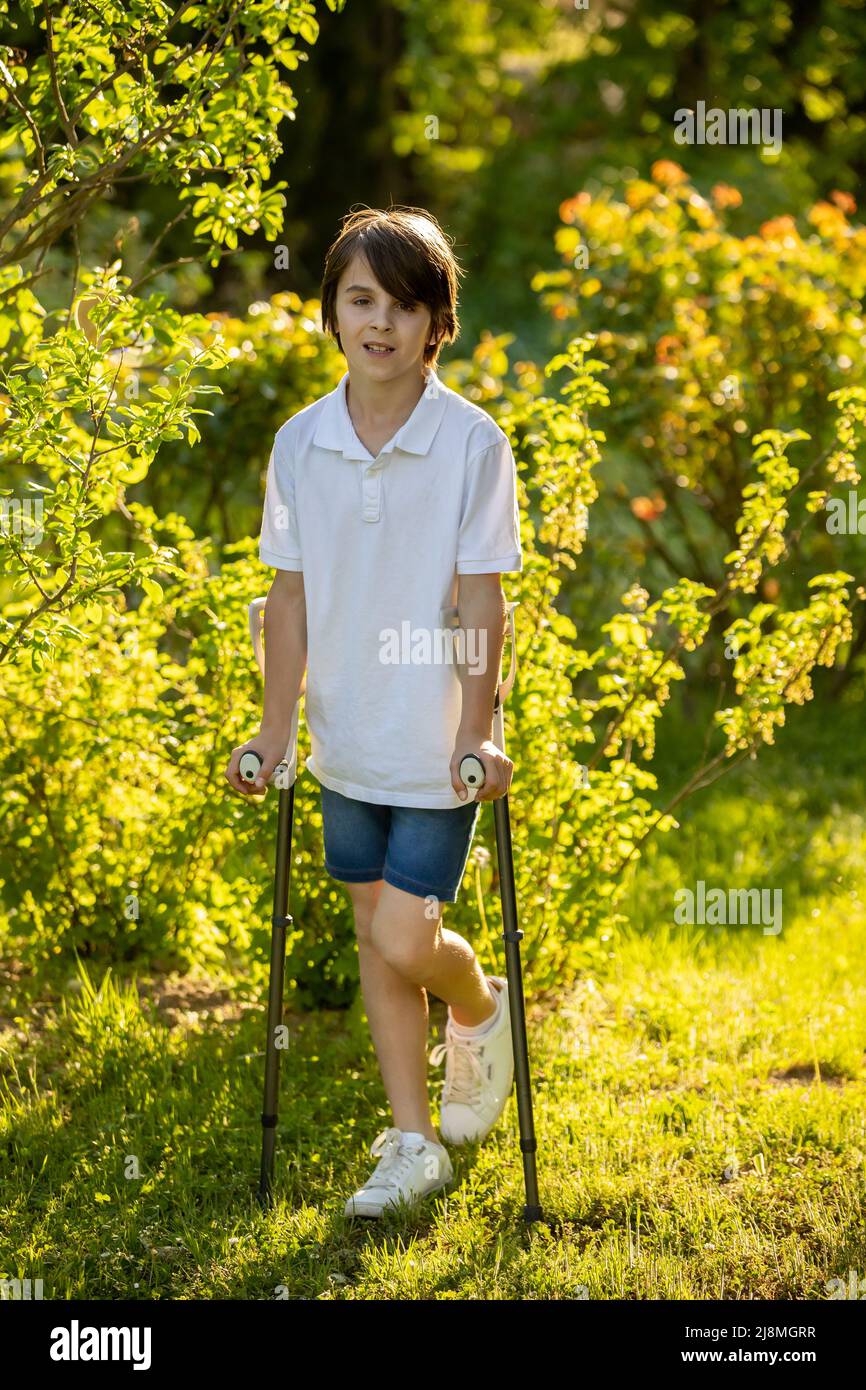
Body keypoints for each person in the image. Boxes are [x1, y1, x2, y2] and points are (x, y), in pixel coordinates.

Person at [225, 205, 523, 1219]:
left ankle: (480, 1014)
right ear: (331, 312)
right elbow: (289, 596)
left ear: (438, 322)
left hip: (437, 742)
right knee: (371, 931)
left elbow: (483, 593)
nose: (381, 324)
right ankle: (412, 1138)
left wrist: (476, 725)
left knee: (407, 937)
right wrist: (275, 728)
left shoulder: (471, 443)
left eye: (404, 305)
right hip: (344, 735)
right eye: (361, 300)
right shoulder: (301, 444)